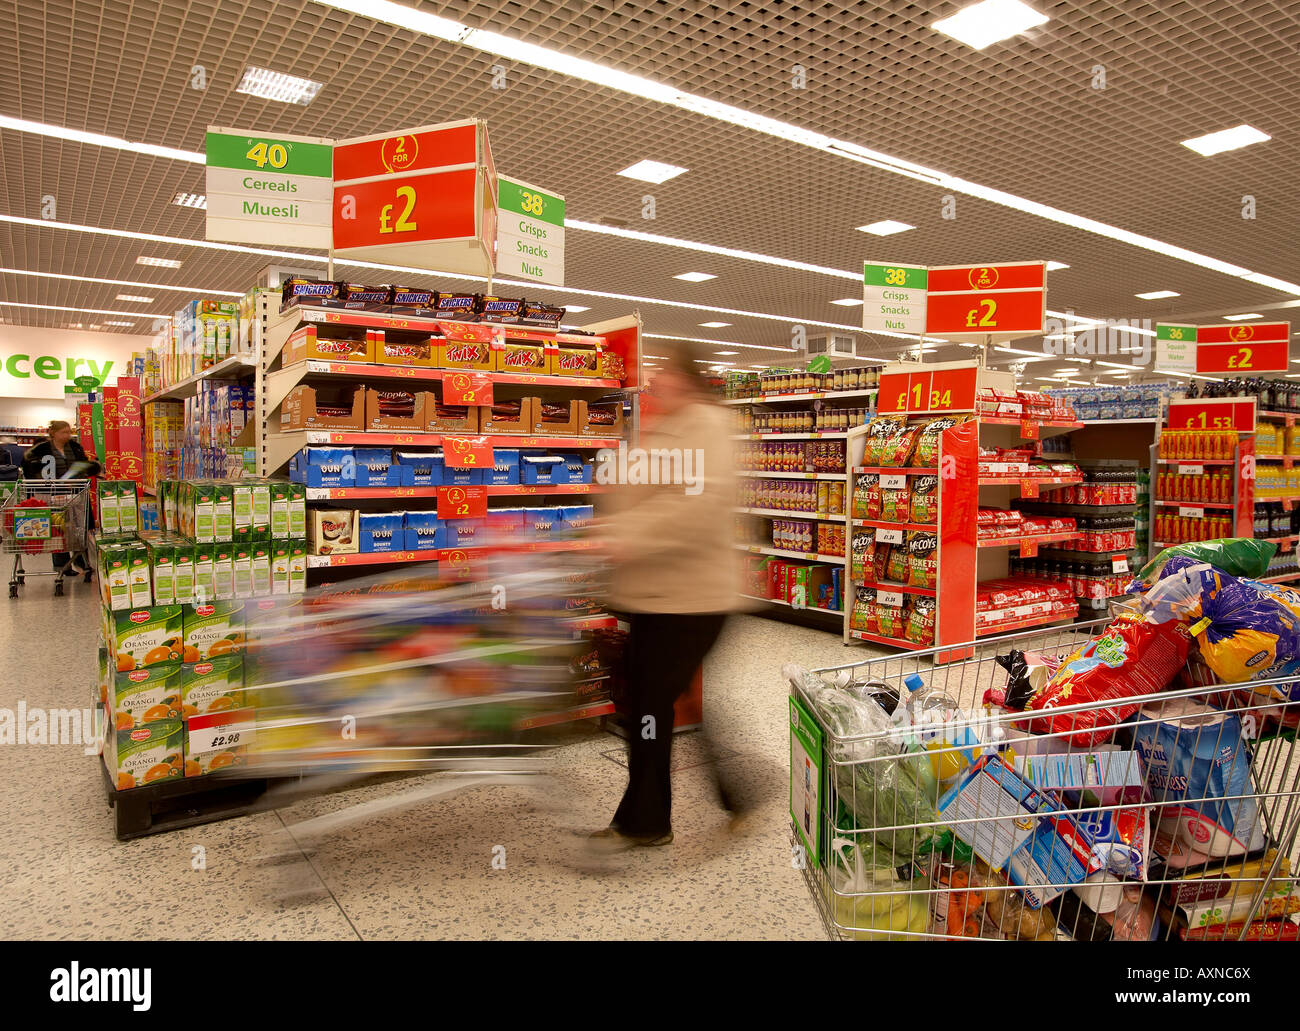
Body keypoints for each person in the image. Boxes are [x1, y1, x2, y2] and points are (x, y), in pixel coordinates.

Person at [591, 344, 748, 850]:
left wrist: (627, 534)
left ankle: (646, 821)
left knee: (651, 707)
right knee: (658, 702)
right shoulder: (668, 428)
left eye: (663, 372)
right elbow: (638, 490)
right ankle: (737, 793)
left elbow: (697, 507)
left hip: (693, 600)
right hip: (657, 596)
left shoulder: (708, 427)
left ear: (686, 377)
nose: (655, 380)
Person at [21, 420, 100, 577]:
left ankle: (81, 561)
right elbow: (27, 466)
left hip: (75, 494)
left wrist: (91, 468)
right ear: (53, 433)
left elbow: (83, 465)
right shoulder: (41, 449)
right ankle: (62, 565)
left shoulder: (75, 447)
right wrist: (41, 481)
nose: (67, 435)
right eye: (64, 432)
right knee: (58, 529)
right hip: (50, 495)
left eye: (69, 432)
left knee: (79, 527)